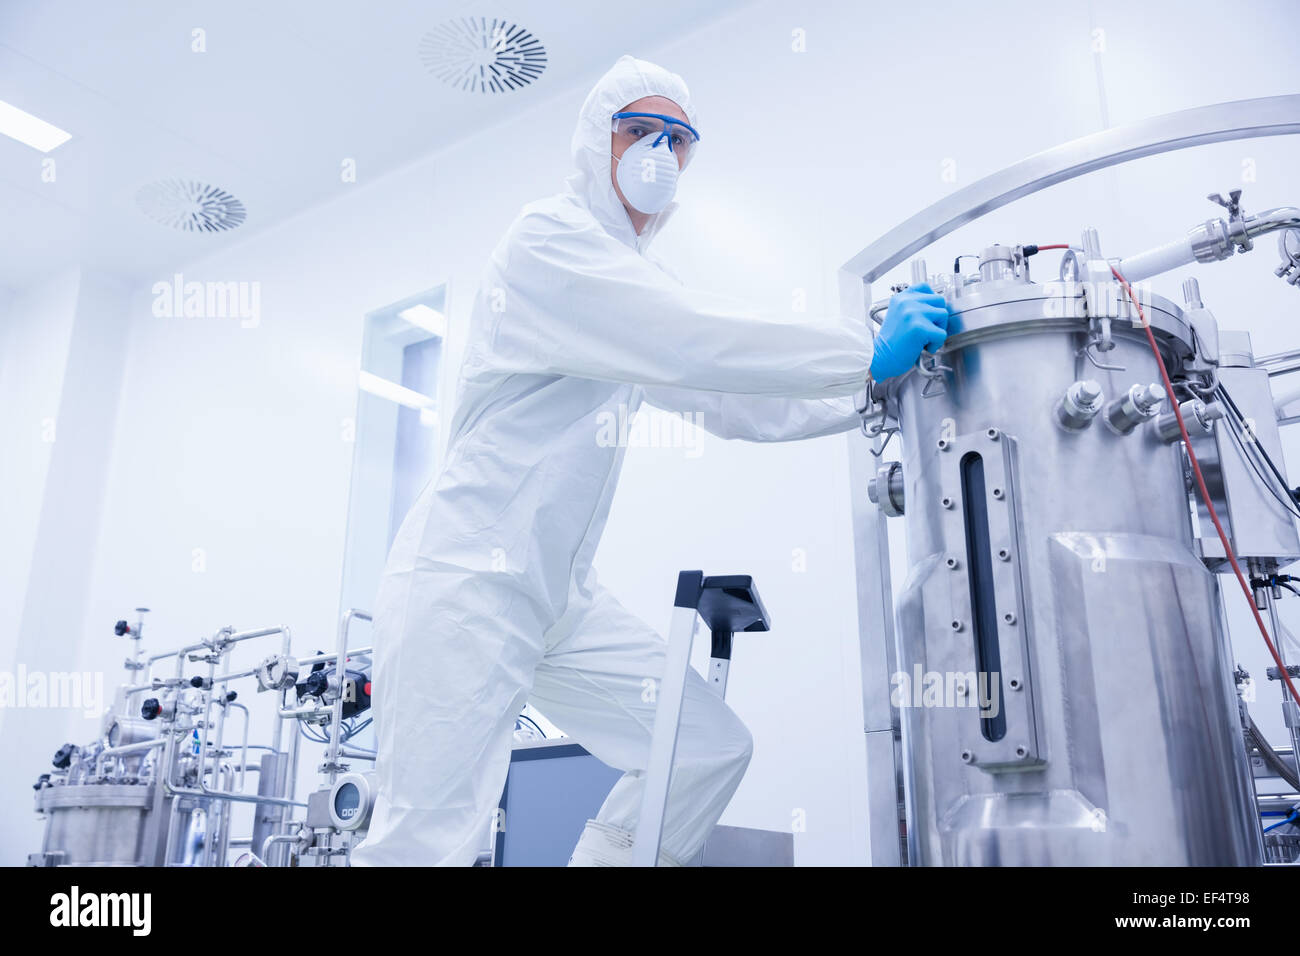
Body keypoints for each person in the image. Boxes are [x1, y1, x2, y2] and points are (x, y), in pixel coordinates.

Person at [350, 54, 949, 867]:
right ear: (597, 142)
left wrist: (870, 391)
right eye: (640, 131)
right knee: (427, 841)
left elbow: (729, 399)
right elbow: (690, 335)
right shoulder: (549, 244)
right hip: (465, 582)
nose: (660, 155)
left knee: (702, 748)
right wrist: (859, 351)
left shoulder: (634, 283)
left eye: (679, 139)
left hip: (558, 600)